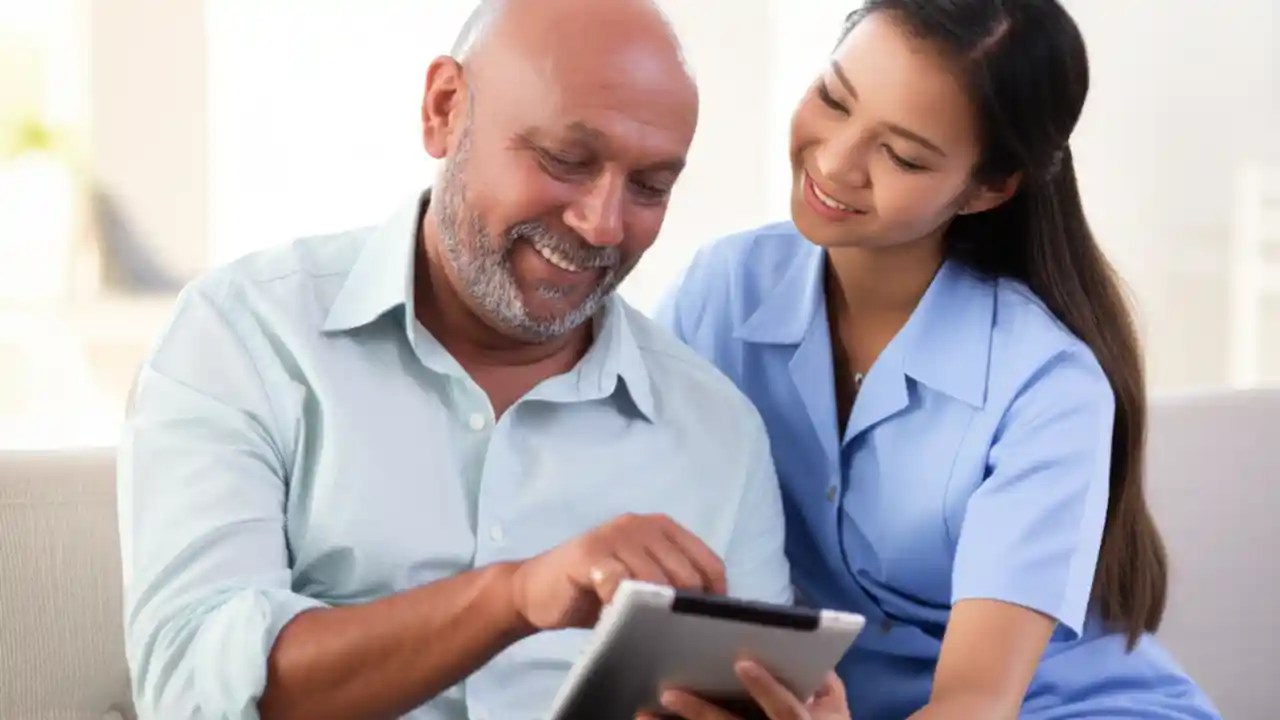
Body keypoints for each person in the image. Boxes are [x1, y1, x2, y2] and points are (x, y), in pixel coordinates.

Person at [118, 1, 799, 718]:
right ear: (445, 109)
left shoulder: (717, 429)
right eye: (566, 161)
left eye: (650, 188)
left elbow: (747, 688)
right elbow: (191, 687)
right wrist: (514, 597)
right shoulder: (247, 336)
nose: (603, 224)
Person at [656, 2, 1221, 719]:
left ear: (988, 188)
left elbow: (976, 702)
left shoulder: (1048, 385)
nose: (835, 161)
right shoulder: (724, 290)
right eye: (834, 98)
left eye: (901, 155)